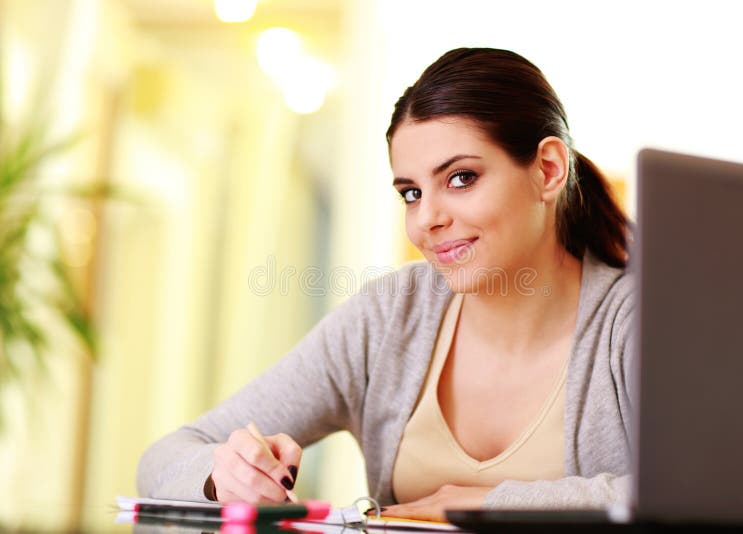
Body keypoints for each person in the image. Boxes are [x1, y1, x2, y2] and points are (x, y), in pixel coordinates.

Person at [137, 47, 634, 521]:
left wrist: (488, 505)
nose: (427, 221)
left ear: (548, 170)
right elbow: (164, 459)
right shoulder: (389, 318)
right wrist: (225, 477)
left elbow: (706, 492)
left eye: (461, 178)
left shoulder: (635, 325)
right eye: (412, 193)